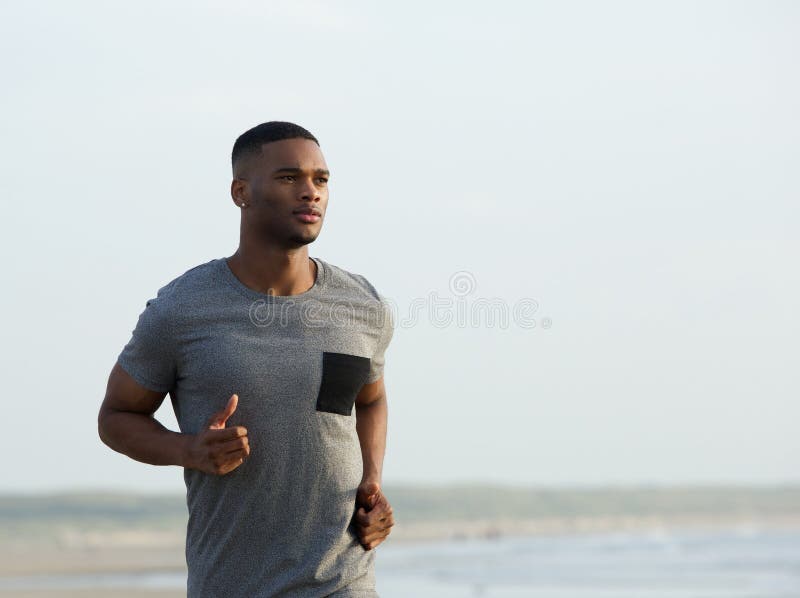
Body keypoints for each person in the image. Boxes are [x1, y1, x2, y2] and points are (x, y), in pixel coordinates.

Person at [98, 121, 395, 597]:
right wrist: (188, 450)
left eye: (320, 180)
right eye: (288, 178)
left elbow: (371, 399)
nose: (310, 193)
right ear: (241, 192)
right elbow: (116, 417)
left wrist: (372, 483)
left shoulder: (362, 305)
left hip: (343, 581)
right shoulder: (183, 308)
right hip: (232, 584)